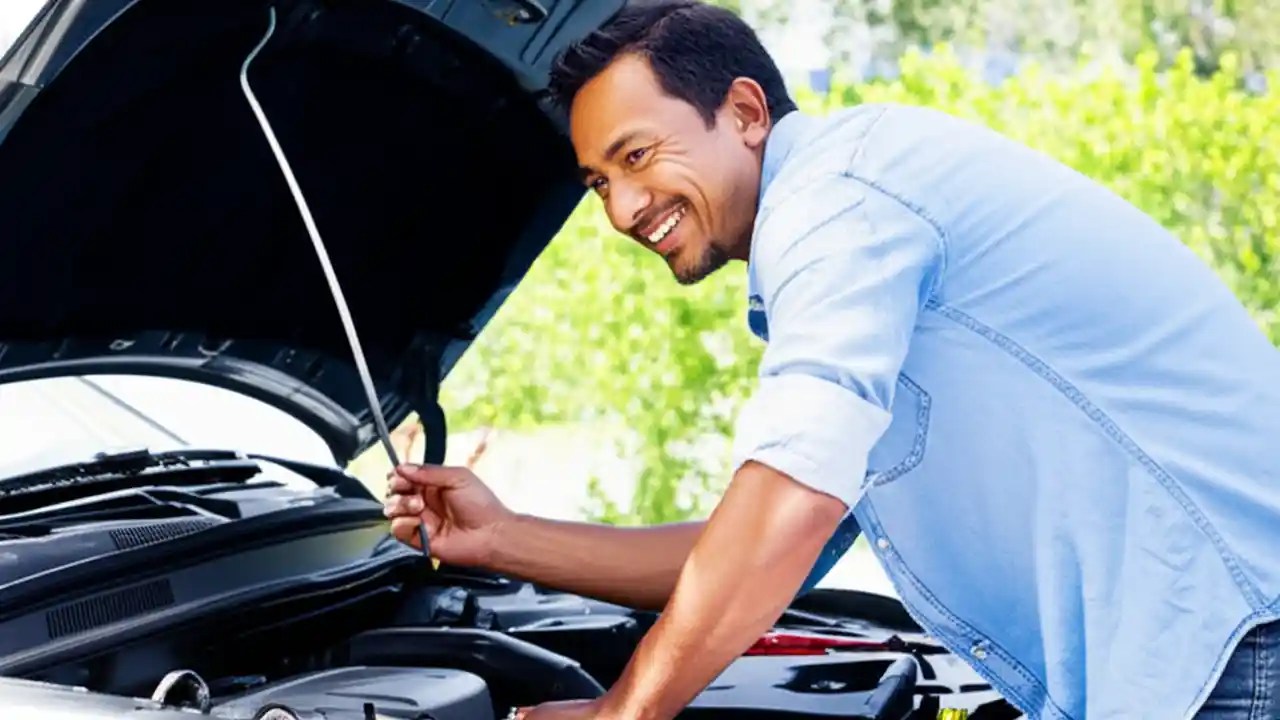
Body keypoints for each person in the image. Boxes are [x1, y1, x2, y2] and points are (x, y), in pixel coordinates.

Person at [383, 1, 1280, 717]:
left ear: (743, 111)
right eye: (599, 183)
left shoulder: (837, 206)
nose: (621, 210)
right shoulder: (845, 217)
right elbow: (759, 553)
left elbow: (787, 506)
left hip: (1234, 644)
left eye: (637, 155)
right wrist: (500, 538)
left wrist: (628, 712)